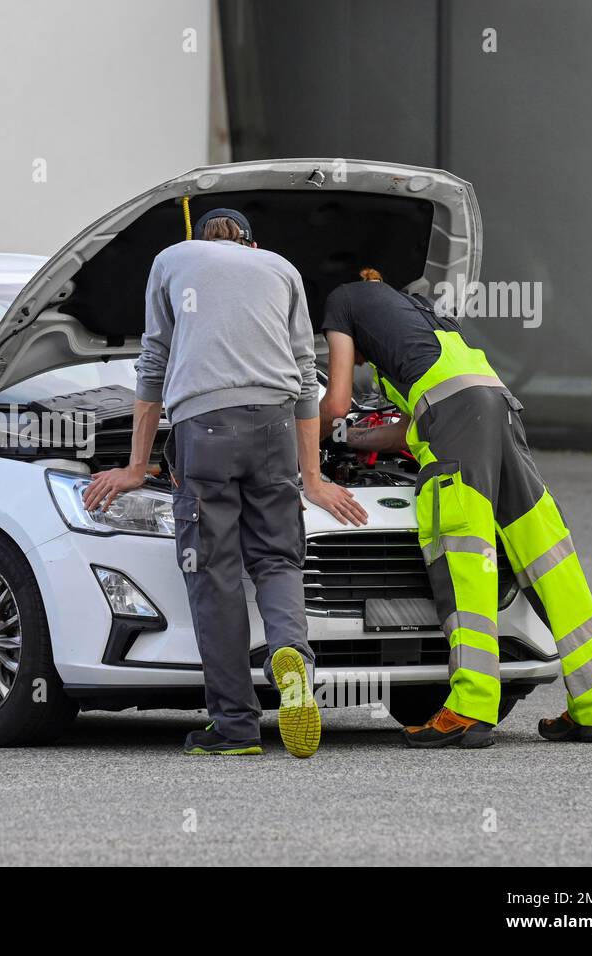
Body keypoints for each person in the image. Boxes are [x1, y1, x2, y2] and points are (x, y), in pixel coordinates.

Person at [82, 208, 366, 757]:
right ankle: (292, 660)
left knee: (214, 573)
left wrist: (137, 467)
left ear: (199, 238)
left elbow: (152, 365)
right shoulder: (281, 268)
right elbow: (307, 376)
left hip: (205, 428)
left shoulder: (171, 260)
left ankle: (235, 725)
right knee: (279, 559)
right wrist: (312, 476)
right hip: (275, 426)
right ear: (249, 243)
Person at [320, 268, 592, 748]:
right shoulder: (423, 312)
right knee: (548, 557)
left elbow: (334, 404)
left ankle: (470, 706)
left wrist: (313, 438)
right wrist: (352, 438)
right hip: (499, 409)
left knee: (463, 558)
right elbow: (420, 421)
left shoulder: (341, 300)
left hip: (458, 423)